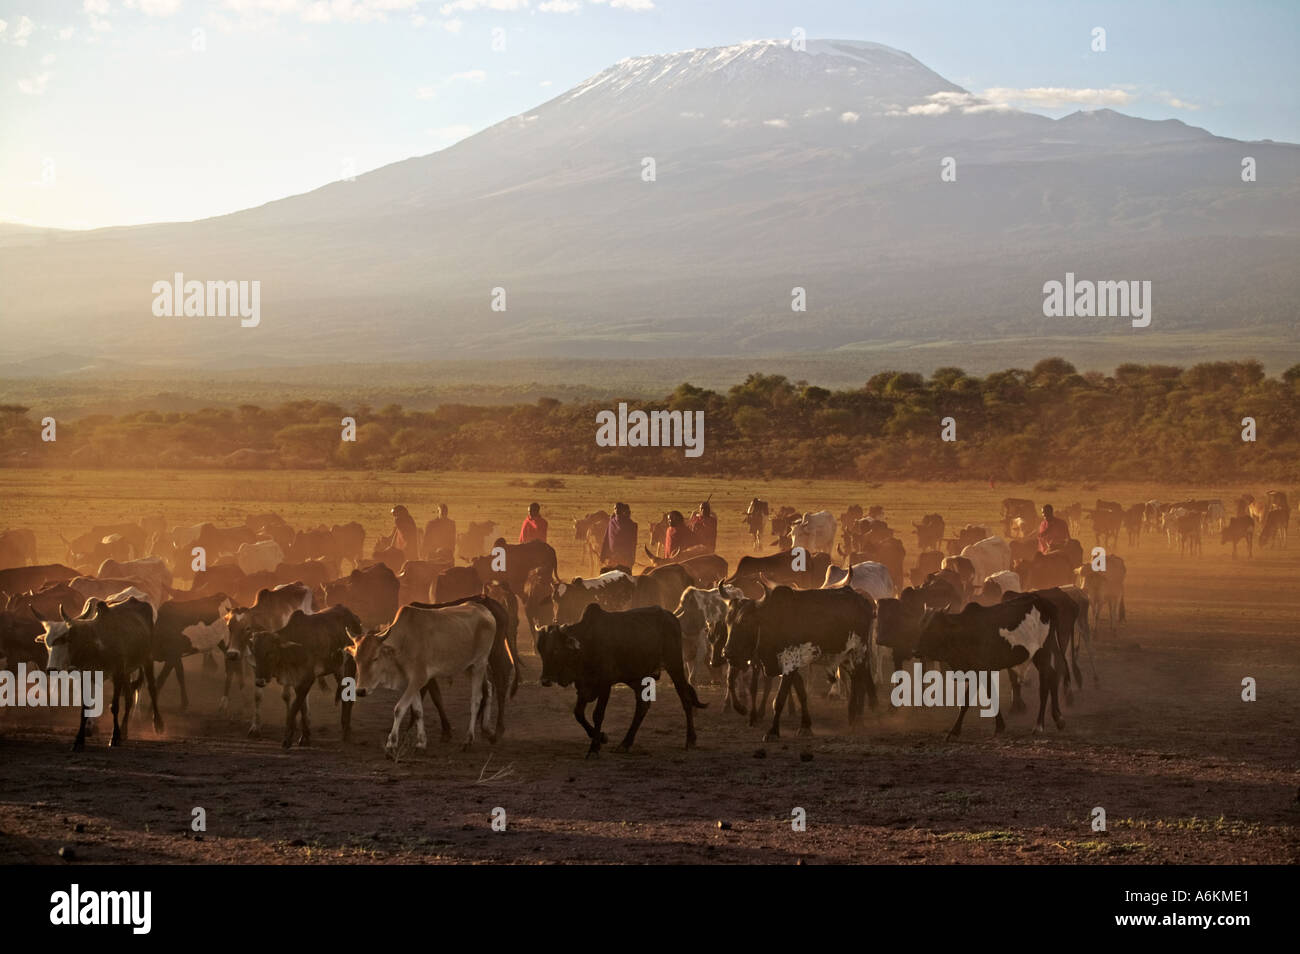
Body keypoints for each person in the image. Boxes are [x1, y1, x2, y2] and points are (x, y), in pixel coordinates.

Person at [600, 502, 638, 569]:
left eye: (619, 508)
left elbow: (633, 543)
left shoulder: (631, 525)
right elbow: (606, 539)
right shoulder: (611, 523)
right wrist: (603, 555)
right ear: (613, 510)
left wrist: (632, 558)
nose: (617, 510)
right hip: (612, 557)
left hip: (625, 558)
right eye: (615, 508)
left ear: (623, 510)